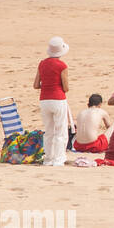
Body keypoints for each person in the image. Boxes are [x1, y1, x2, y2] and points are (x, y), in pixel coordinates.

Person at [33, 36, 70, 166]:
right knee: (60, 130)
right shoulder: (62, 66)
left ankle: (48, 158)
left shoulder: (42, 63)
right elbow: (66, 87)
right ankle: (59, 159)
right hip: (58, 98)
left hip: (44, 99)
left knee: (49, 131)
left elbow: (36, 85)